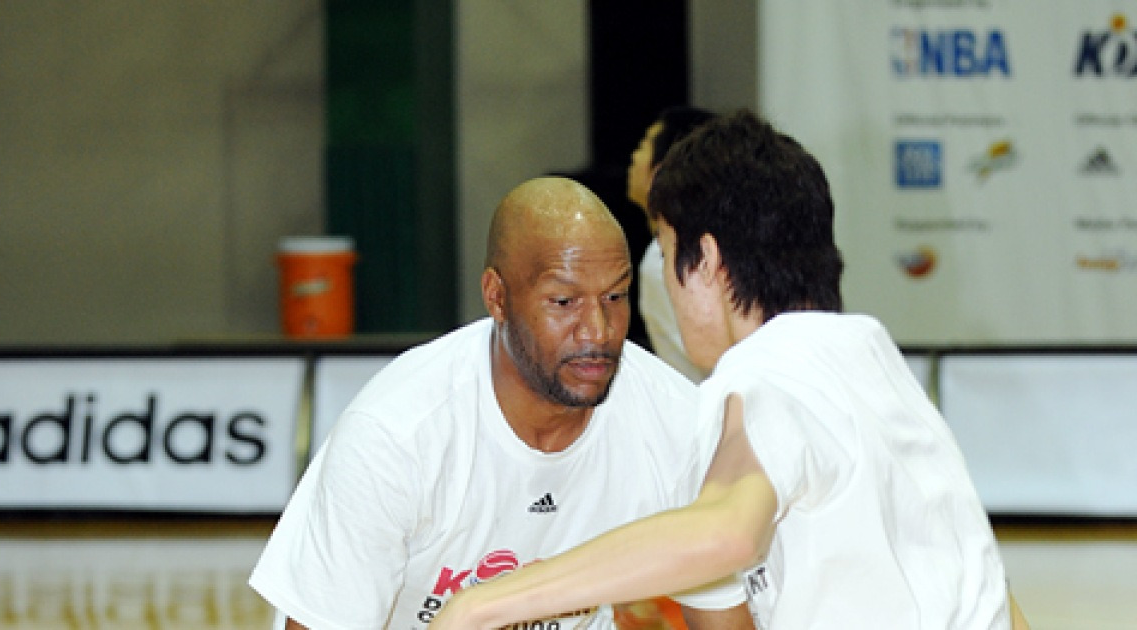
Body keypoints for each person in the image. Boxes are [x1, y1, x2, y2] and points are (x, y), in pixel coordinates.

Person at [427, 111, 1031, 629]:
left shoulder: (766, 371)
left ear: (707, 261)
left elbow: (726, 534)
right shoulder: (879, 369)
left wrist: (483, 604)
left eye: (666, 254)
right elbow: (992, 595)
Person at [248, 176, 751, 630]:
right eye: (564, 302)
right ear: (497, 296)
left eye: (614, 298)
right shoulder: (396, 435)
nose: (597, 330)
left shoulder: (675, 420)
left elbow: (724, 616)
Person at [627, 106, 717, 383]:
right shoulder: (673, 252)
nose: (633, 156)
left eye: (643, 145)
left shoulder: (664, 259)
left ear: (661, 171)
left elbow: (710, 365)